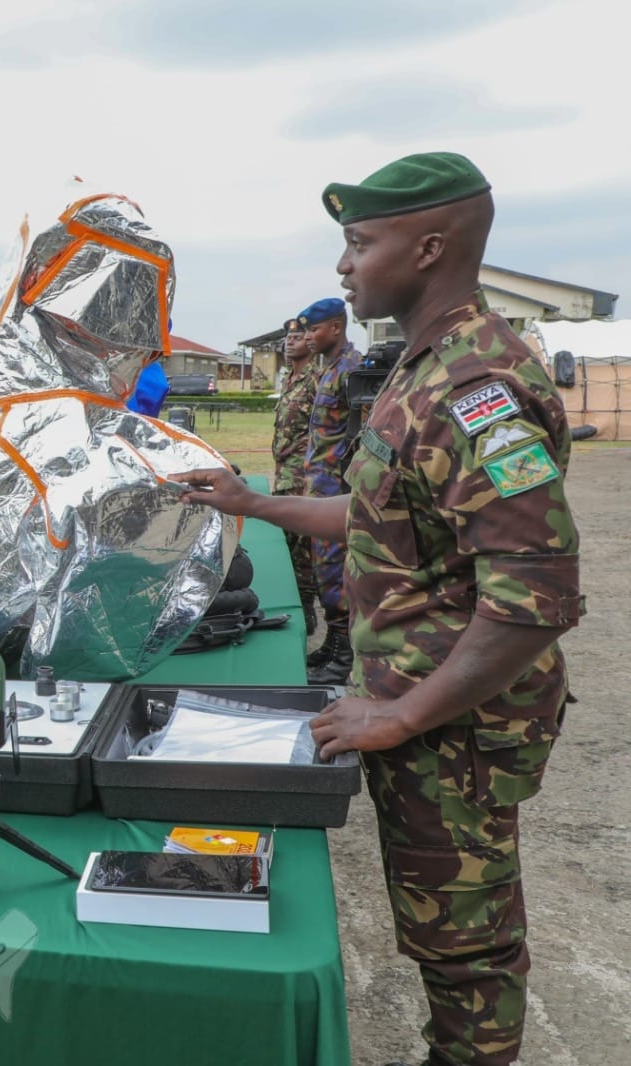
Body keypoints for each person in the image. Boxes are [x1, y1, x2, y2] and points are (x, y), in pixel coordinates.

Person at [175, 152, 581, 1066]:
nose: (343, 265)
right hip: (433, 704)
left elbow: (536, 598)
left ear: (430, 245)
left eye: (360, 243)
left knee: (465, 941)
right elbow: (375, 515)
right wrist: (252, 504)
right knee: (438, 919)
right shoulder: (421, 368)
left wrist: (401, 715)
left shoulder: (481, 391)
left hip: (458, 721)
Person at [300, 295, 364, 683]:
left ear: (336, 328)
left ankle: (346, 656)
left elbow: (359, 436)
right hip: (319, 487)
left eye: (314, 329)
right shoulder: (330, 368)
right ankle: (335, 643)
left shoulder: (351, 370)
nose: (308, 336)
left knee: (337, 570)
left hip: (337, 490)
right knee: (325, 570)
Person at [269, 315, 322, 635]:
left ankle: (305, 610)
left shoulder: (318, 377)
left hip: (304, 473)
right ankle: (300, 608)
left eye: (298, 337)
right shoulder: (290, 376)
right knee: (289, 543)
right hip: (285, 470)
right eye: (288, 338)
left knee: (301, 546)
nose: (290, 342)